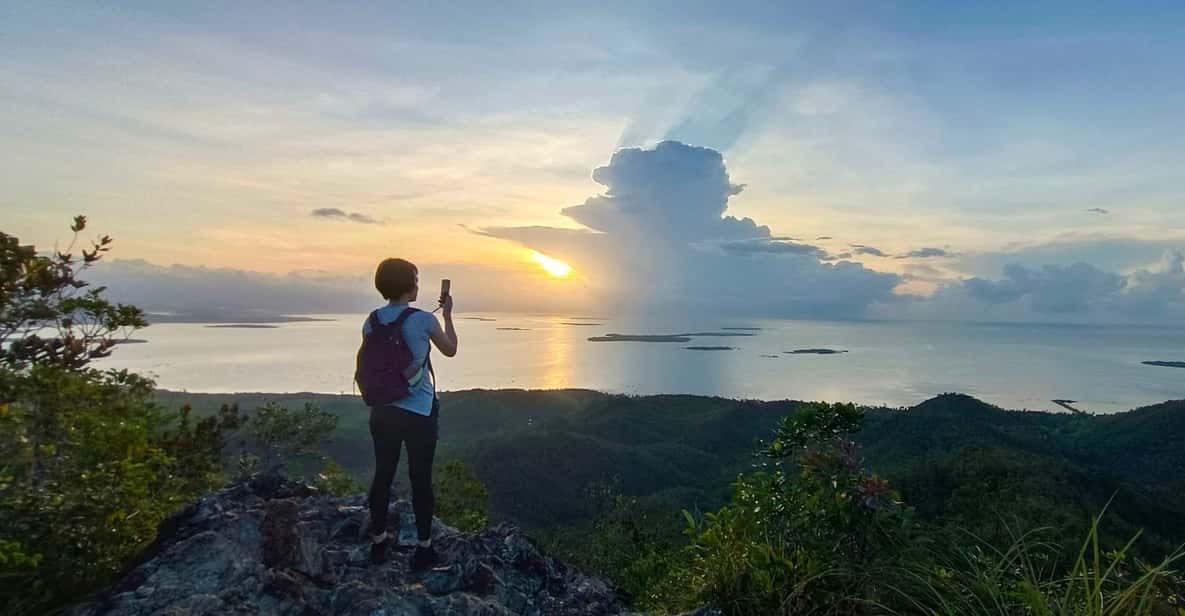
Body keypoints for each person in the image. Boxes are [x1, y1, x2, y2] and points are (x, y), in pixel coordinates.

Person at [364, 258, 457, 568]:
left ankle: (378, 543)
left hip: (383, 410)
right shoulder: (422, 320)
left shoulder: (372, 321)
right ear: (408, 285)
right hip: (419, 410)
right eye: (416, 280)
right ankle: (424, 547)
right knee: (421, 478)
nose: (418, 285)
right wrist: (447, 315)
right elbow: (451, 349)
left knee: (383, 474)